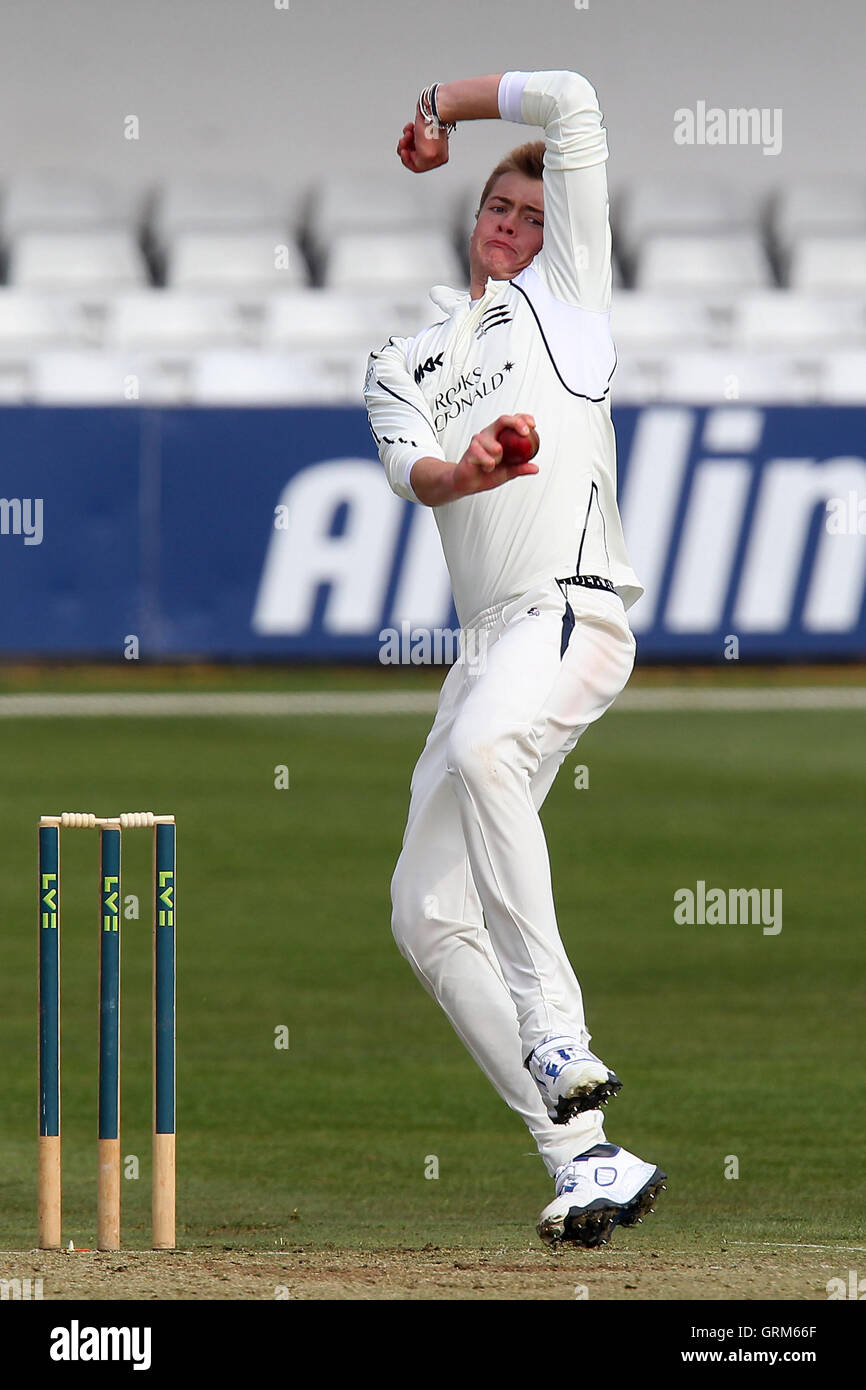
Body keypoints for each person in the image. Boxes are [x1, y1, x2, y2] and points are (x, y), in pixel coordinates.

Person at [363, 69, 666, 1248]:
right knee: (423, 915)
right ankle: (583, 1153)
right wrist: (467, 471)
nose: (512, 223)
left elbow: (577, 97)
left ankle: (558, 1031)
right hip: (485, 645)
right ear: (471, 213)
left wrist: (441, 102)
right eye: (499, 204)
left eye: (535, 214)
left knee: (490, 749)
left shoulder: (569, 300)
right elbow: (415, 474)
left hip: (569, 611)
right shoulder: (407, 356)